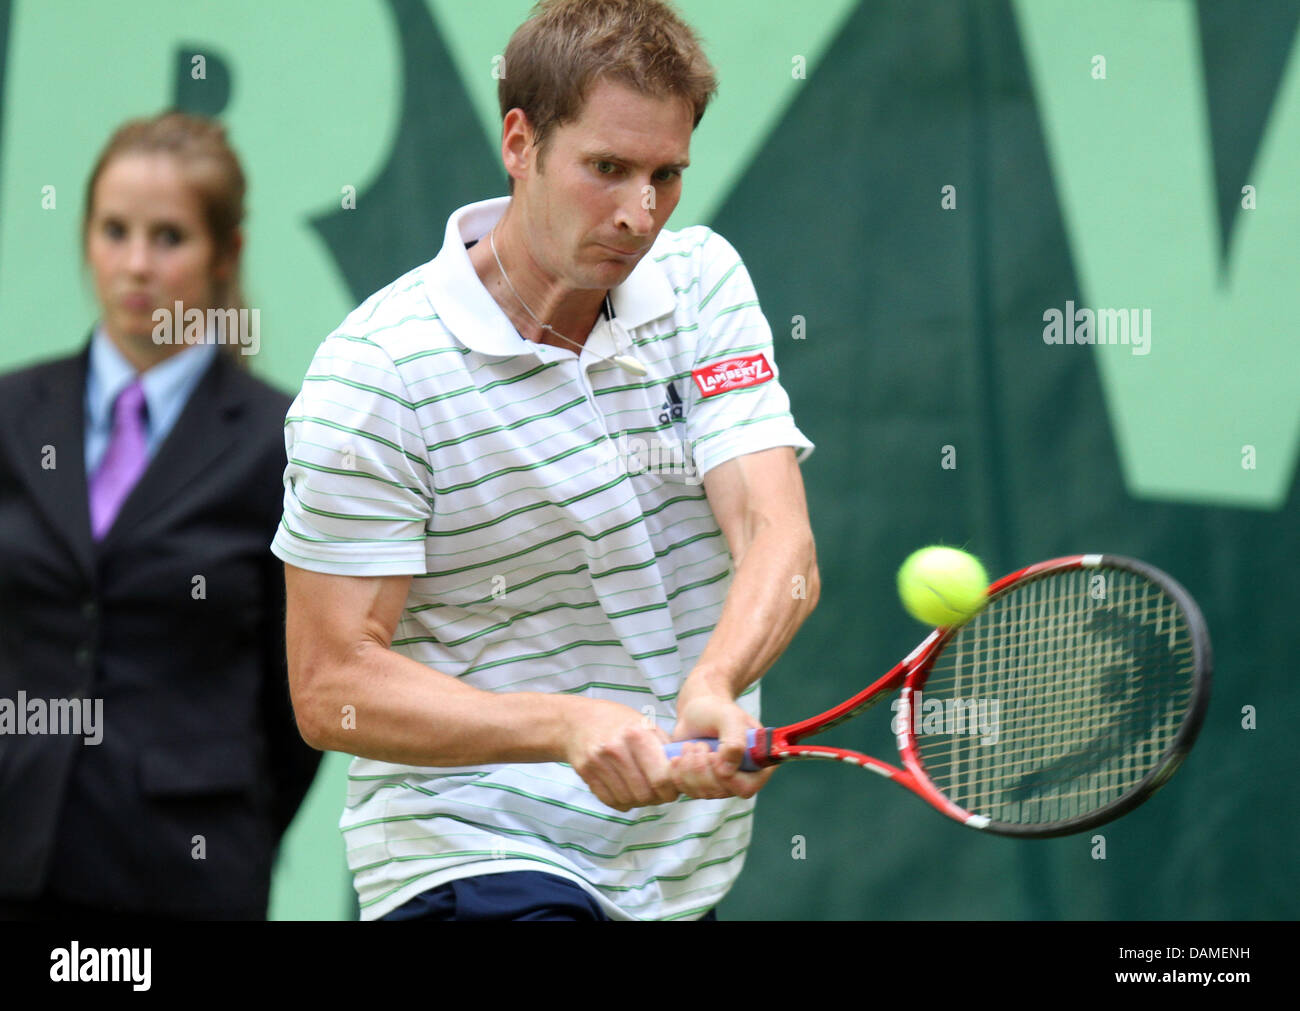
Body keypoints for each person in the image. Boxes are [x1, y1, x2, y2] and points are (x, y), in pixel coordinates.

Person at [276, 0, 818, 921]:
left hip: (674, 875)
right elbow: (332, 688)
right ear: (519, 142)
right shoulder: (378, 376)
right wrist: (563, 725)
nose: (639, 213)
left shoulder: (704, 286)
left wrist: (714, 681)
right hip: (470, 850)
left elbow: (778, 536)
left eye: (666, 176)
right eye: (606, 169)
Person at [0, 111, 321, 920]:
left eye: (169, 236)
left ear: (226, 253)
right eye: (115, 230)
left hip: (187, 873)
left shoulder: (280, 444)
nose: (135, 264)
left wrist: (220, 812)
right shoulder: (11, 416)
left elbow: (296, 703)